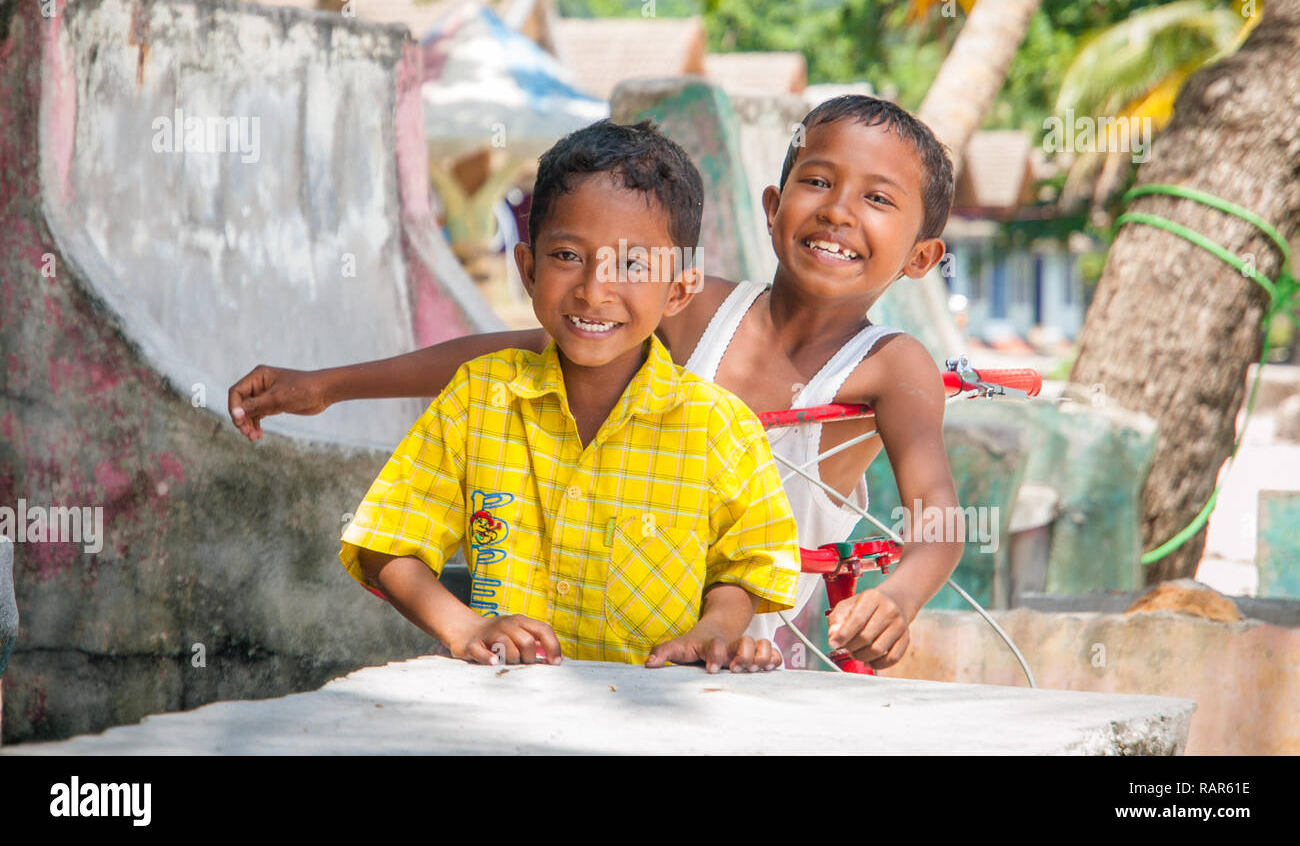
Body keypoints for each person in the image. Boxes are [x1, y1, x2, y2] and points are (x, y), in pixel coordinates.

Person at [232, 95, 962, 672]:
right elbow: (519, 356)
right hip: (589, 632)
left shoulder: (893, 365)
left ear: (923, 255)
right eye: (818, 180)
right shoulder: (695, 301)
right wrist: (328, 385)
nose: (837, 209)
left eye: (878, 198)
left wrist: (897, 596)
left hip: (744, 650)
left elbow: (938, 516)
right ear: (774, 209)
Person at [338, 120, 800, 672]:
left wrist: (714, 631)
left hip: (649, 714)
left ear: (679, 289)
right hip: (505, 709)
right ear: (529, 270)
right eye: (567, 257)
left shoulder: (720, 426)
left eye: (631, 264)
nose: (593, 289)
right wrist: (464, 627)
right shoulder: (480, 398)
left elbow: (744, 566)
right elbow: (386, 541)